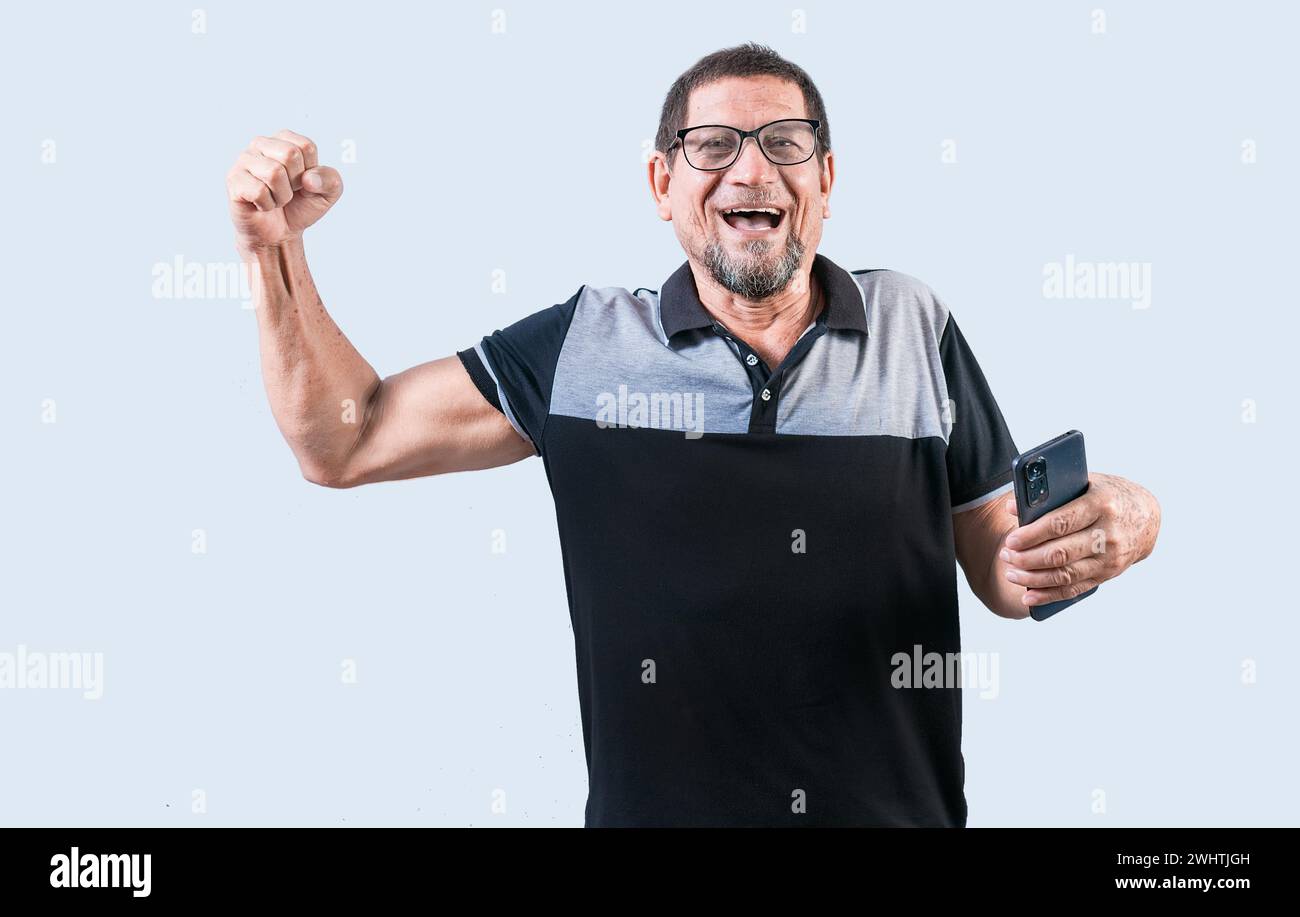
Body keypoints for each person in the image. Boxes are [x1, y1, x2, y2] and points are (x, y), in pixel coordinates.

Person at [224, 43, 1161, 827]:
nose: (751, 170)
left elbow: (1000, 559)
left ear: (825, 181)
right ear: (662, 183)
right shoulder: (585, 345)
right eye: (713, 145)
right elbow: (344, 440)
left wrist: (1126, 521)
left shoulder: (914, 324)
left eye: (784, 143)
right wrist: (276, 250)